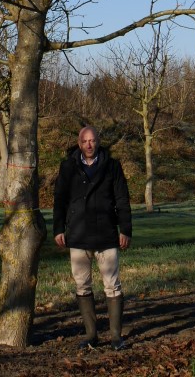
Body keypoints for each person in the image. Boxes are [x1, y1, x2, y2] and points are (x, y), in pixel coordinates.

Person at [52, 125, 132, 350]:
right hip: (77, 235)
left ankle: (116, 337)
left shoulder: (112, 167)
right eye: (85, 141)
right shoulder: (68, 167)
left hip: (106, 234)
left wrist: (125, 229)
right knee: (82, 285)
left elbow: (122, 200)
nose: (89, 145)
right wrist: (58, 228)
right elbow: (59, 199)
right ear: (79, 143)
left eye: (93, 141)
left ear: (98, 142)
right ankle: (91, 334)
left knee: (112, 286)